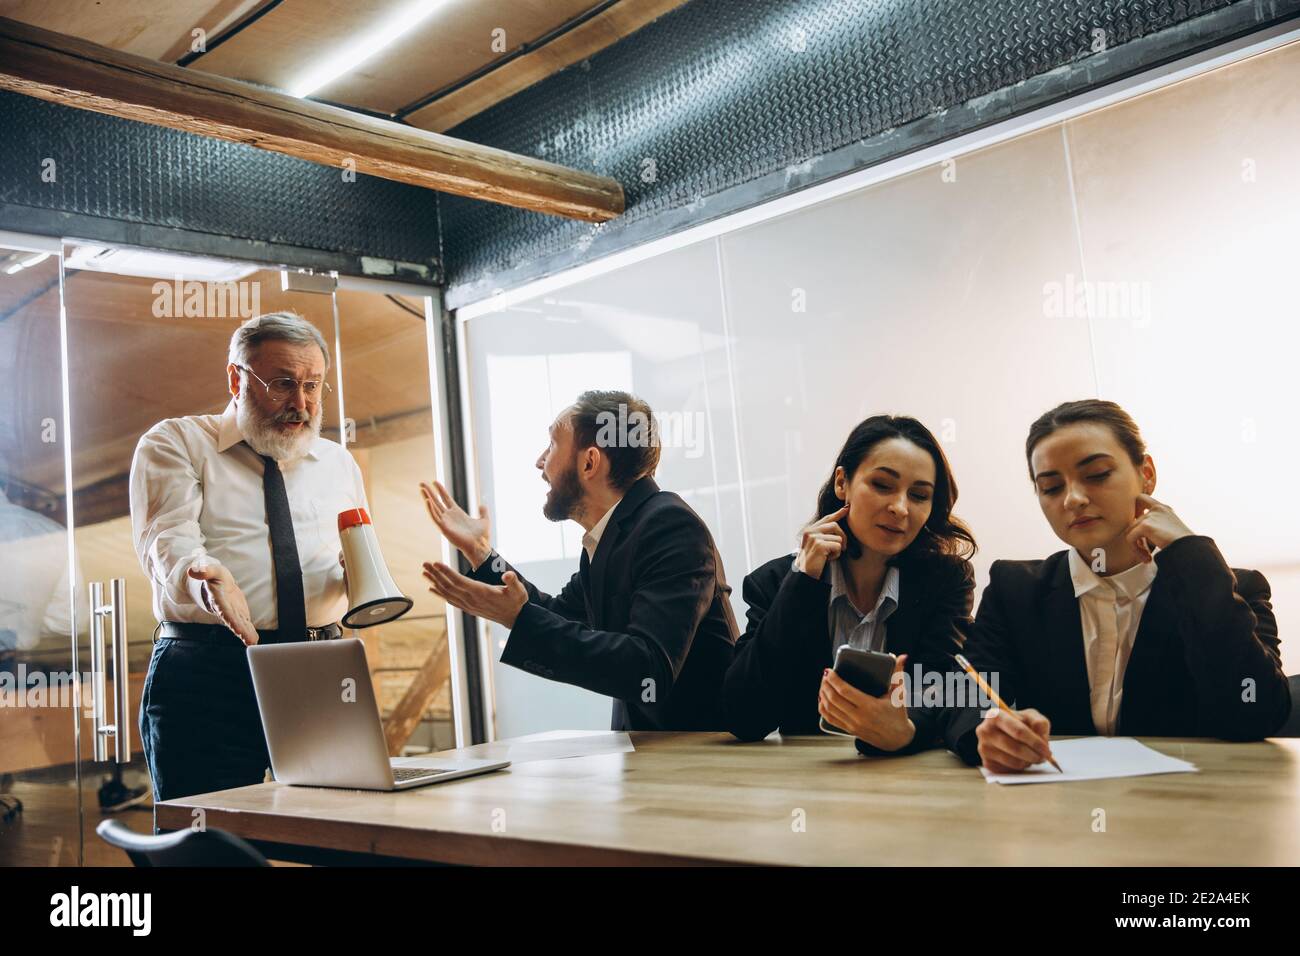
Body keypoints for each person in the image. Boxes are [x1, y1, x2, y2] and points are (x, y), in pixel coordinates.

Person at [946, 399, 1290, 773]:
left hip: (1189, 809)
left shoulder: (1230, 586)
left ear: (1147, 474)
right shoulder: (1014, 590)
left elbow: (1254, 713)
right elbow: (969, 697)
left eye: (1096, 474)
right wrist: (987, 731)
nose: (1073, 499)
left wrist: (1190, 551)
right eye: (1051, 487)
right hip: (1055, 815)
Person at [130, 311, 367, 804]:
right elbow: (167, 539)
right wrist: (205, 579)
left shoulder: (337, 463)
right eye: (282, 384)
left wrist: (361, 579)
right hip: (210, 670)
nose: (300, 404)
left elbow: (355, 552)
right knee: (208, 836)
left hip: (320, 666)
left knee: (346, 825)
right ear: (236, 378)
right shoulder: (177, 443)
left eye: (313, 386)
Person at [421, 390, 737, 730]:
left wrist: (520, 618)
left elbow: (649, 669)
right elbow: (555, 614)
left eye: (553, 444)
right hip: (659, 762)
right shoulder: (611, 538)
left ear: (589, 462)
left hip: (705, 765)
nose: (540, 461)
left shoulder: (670, 527)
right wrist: (480, 552)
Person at [724, 415, 976, 755]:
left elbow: (945, 693)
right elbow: (744, 716)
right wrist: (802, 582)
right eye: (883, 485)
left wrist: (905, 730)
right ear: (842, 483)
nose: (900, 508)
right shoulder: (774, 582)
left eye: (918, 495)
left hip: (906, 779)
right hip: (805, 782)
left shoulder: (945, 582)